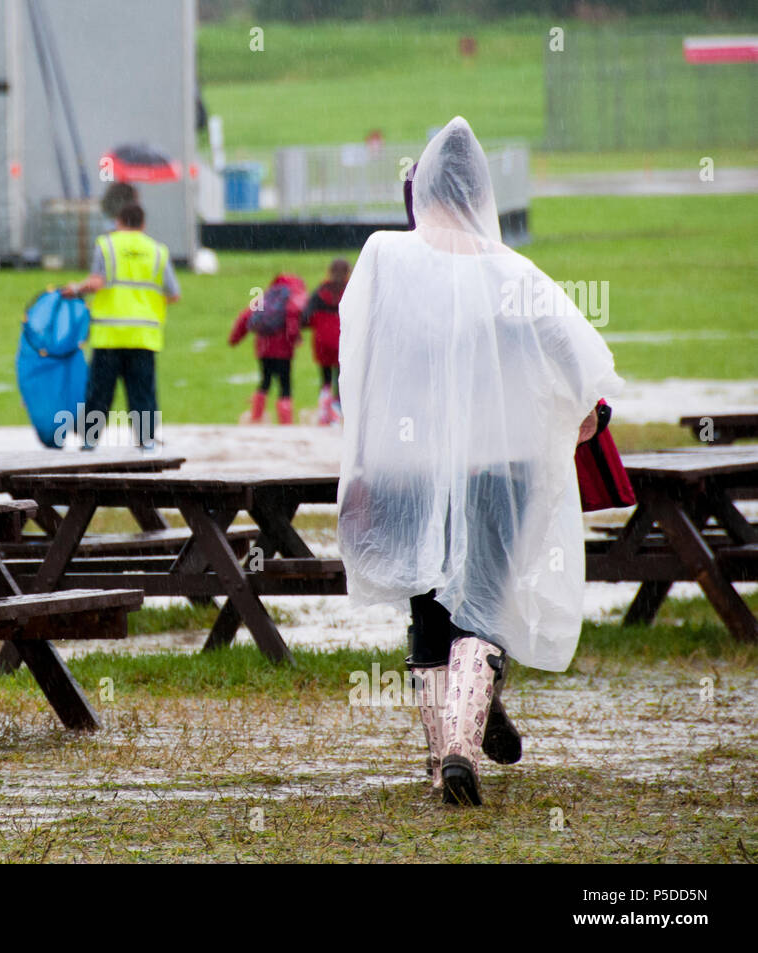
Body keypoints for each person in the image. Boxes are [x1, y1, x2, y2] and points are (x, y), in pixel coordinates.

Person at [337, 117, 621, 807]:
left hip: (408, 465)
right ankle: (468, 739)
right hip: (502, 468)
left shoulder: (383, 258)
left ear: (422, 188)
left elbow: (356, 357)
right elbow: (583, 361)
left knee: (427, 610)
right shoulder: (513, 273)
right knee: (484, 606)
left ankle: (442, 760)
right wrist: (586, 411)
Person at [61, 202, 180, 448]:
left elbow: (95, 282)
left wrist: (74, 289)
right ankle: (146, 439)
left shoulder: (107, 246)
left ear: (119, 221)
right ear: (143, 224)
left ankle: (89, 440)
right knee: (142, 392)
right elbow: (174, 293)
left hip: (109, 335)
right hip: (143, 336)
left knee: (100, 392)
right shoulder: (157, 251)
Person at [227, 273, 305, 424]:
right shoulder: (291, 300)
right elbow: (292, 322)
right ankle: (286, 421)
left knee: (265, 380)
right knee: (285, 384)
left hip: (264, 349)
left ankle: (256, 416)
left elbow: (246, 317)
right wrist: (295, 338)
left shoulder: (265, 298)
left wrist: (234, 339)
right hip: (284, 351)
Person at [303, 258, 351, 425]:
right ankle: (337, 415)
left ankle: (324, 413)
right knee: (340, 378)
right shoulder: (351, 291)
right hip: (342, 342)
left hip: (322, 341)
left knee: (325, 378)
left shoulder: (320, 292)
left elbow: (305, 317)